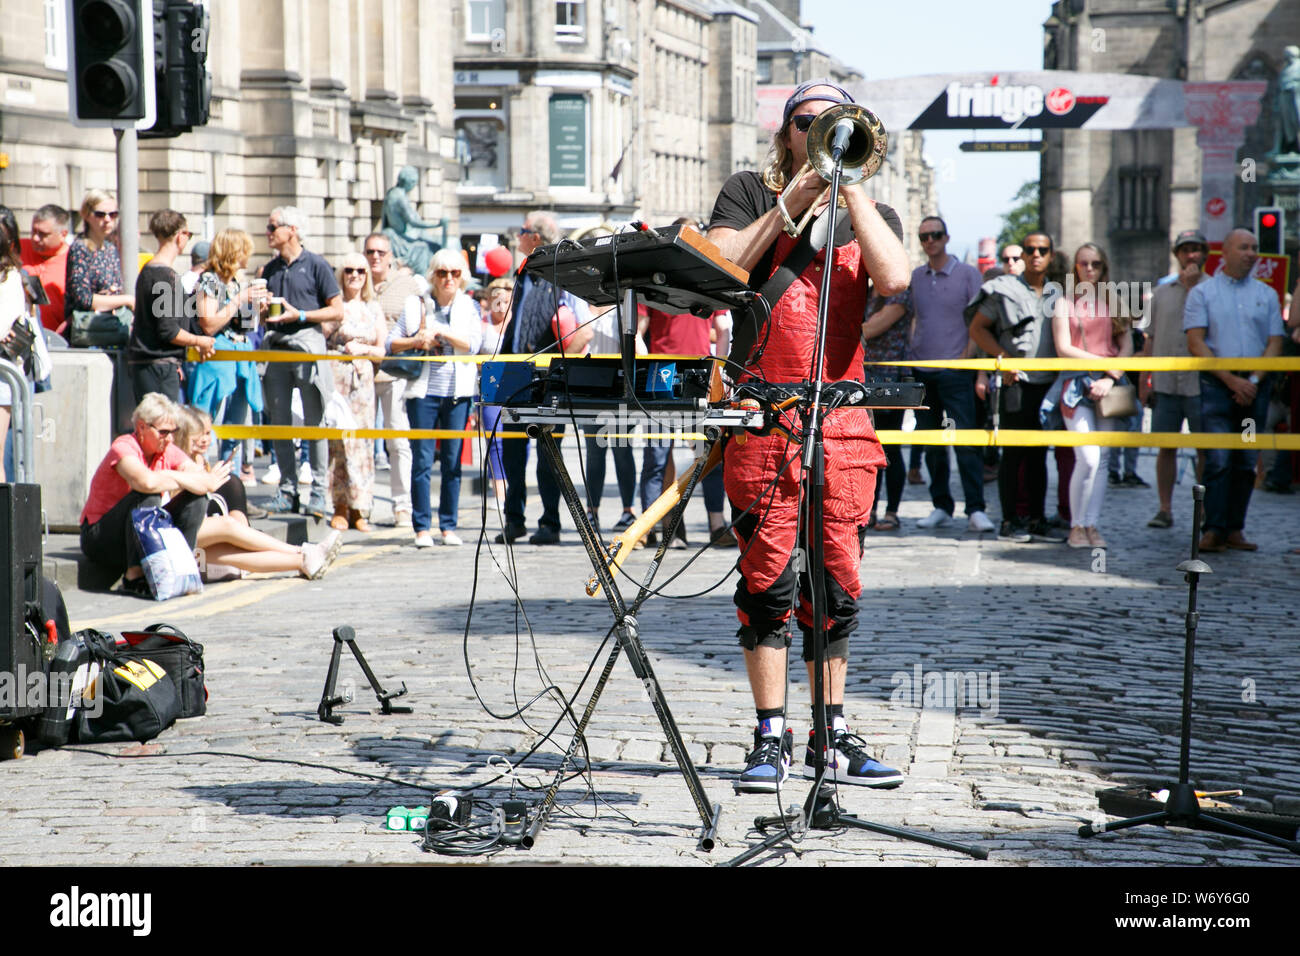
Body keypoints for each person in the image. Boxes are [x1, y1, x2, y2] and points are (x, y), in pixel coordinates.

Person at [707, 79, 910, 792]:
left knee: (835, 582)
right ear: (786, 134)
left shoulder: (871, 209)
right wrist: (797, 197)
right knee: (766, 581)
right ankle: (769, 734)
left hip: (842, 425)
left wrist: (850, 186)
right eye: (807, 122)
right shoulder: (748, 193)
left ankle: (832, 731)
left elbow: (894, 278)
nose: (820, 130)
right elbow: (723, 264)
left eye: (835, 122)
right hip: (765, 419)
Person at [1183, 228, 1286, 552]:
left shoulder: (1267, 294)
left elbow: (1274, 342)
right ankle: (1212, 527)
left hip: (1254, 388)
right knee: (1217, 459)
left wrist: (1252, 381)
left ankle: (1234, 528)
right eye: (1244, 247)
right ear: (1224, 253)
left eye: (1254, 248)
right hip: (1217, 387)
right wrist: (1231, 380)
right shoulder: (1203, 293)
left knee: (1244, 459)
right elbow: (1196, 342)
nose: (1251, 253)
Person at [496, 211, 593, 545]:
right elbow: (516, 322)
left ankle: (550, 523)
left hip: (550, 377)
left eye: (521, 231)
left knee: (548, 453)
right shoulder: (524, 272)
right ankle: (514, 519)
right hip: (517, 372)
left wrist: (559, 367)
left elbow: (584, 331)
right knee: (512, 450)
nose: (518, 236)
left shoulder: (564, 274)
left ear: (534, 237)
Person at [967, 231, 1066, 543]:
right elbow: (977, 328)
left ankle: (1036, 519)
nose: (1036, 254)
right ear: (1022, 254)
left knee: (1039, 456)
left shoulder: (1060, 291)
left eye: (1043, 249)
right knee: (1012, 454)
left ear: (1051, 255)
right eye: (1030, 249)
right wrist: (1003, 357)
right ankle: (1010, 521)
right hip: (1015, 382)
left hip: (1048, 385)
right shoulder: (1003, 288)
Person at [171, 404, 342, 580]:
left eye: (208, 433)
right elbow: (179, 508)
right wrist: (207, 483)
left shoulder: (195, 460)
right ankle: (302, 550)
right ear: (184, 436)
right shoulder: (175, 461)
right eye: (198, 434)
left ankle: (303, 560)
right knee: (227, 526)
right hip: (176, 535)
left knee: (230, 550)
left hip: (194, 541)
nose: (205, 439)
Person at [390, 249, 481, 547]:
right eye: (442, 273)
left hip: (458, 393)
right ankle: (421, 528)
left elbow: (473, 345)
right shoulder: (416, 305)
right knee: (422, 461)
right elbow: (392, 342)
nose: (448, 279)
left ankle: (448, 526)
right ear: (433, 275)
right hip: (423, 393)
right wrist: (418, 339)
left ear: (462, 277)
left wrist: (443, 332)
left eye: (454, 273)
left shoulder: (469, 306)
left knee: (453, 463)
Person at [909, 215, 993, 533]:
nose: (929, 241)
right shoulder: (916, 276)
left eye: (935, 235)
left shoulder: (969, 274)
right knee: (931, 444)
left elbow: (979, 320)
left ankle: (975, 508)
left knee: (965, 441)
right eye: (924, 237)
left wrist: (966, 358)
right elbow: (916, 316)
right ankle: (940, 505)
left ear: (946, 237)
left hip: (957, 371)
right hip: (923, 370)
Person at [1049, 243, 1133, 549]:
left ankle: (1091, 525)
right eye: (1083, 264)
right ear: (1075, 267)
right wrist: (1104, 367)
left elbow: (1127, 344)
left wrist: (1110, 377)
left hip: (1109, 384)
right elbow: (1063, 349)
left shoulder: (1114, 300)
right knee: (1088, 456)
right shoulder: (1063, 302)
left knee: (1104, 459)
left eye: (1095, 264)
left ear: (1104, 267)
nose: (1089, 269)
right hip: (1075, 384)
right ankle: (1076, 525)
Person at [260, 205, 343, 516]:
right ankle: (288, 489)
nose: (267, 234)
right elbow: (253, 320)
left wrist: (303, 315)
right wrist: (256, 310)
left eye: (272, 228)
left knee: (315, 422)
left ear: (291, 230)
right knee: (279, 422)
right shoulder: (268, 270)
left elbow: (337, 309)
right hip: (276, 345)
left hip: (308, 345)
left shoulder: (317, 265)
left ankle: (320, 492)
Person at [1140, 230, 1209, 528]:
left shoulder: (1212, 289)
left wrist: (1193, 287)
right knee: (1165, 446)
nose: (1190, 255)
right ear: (1177, 255)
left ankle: (1206, 511)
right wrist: (1144, 381)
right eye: (1185, 250)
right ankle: (1164, 508)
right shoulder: (1160, 293)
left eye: (1196, 249)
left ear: (1204, 254)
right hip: (1167, 383)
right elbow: (1149, 340)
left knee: (1206, 448)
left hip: (1200, 384)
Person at [189, 228, 268, 479]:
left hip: (241, 353)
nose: (248, 258)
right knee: (203, 420)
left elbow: (242, 325)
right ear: (234, 252)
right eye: (245, 251)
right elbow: (209, 324)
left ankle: (227, 480)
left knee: (237, 424)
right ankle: (198, 475)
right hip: (218, 356)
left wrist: (259, 309)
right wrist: (239, 300)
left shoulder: (233, 282)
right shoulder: (209, 280)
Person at [128, 209, 215, 404]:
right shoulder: (165, 277)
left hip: (151, 365)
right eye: (188, 234)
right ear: (180, 236)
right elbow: (168, 330)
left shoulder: (149, 271)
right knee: (161, 428)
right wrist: (199, 341)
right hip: (159, 367)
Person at [325, 252, 385, 532]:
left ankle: (360, 508)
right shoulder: (335, 305)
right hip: (337, 377)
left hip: (363, 384)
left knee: (362, 444)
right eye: (349, 270)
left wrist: (364, 349)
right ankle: (339, 505)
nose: (355, 275)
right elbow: (321, 338)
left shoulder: (373, 307)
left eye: (361, 271)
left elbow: (382, 350)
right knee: (338, 442)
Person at [364, 232, 419, 527]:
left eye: (381, 252)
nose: (375, 257)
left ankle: (402, 505)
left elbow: (419, 326)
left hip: (394, 373)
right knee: (359, 442)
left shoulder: (406, 285)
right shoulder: (355, 277)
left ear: (390, 256)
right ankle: (362, 502)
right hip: (360, 374)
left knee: (398, 440)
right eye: (370, 251)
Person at [862, 288, 912, 531]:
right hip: (866, 377)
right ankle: (869, 509)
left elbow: (872, 328)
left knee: (890, 448)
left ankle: (891, 511)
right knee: (869, 446)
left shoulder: (899, 293)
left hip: (891, 379)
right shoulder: (869, 292)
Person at [65, 189, 135, 325]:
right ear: (86, 215)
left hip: (110, 326)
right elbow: (83, 299)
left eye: (113, 214)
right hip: (87, 330)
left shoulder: (110, 249)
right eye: (100, 214)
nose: (107, 220)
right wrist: (126, 300)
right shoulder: (80, 248)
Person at [479, 276, 516, 506]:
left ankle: (513, 485)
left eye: (505, 301)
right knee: (495, 441)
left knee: (517, 440)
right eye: (496, 302)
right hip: (490, 389)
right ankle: (500, 492)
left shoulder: (517, 323)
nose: (501, 307)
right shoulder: (483, 325)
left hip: (515, 387)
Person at [19, 204, 71, 334]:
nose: (35, 238)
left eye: (43, 234)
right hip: (20, 336)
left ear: (63, 234)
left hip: (58, 340)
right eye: (33, 231)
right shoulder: (18, 248)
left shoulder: (74, 260)